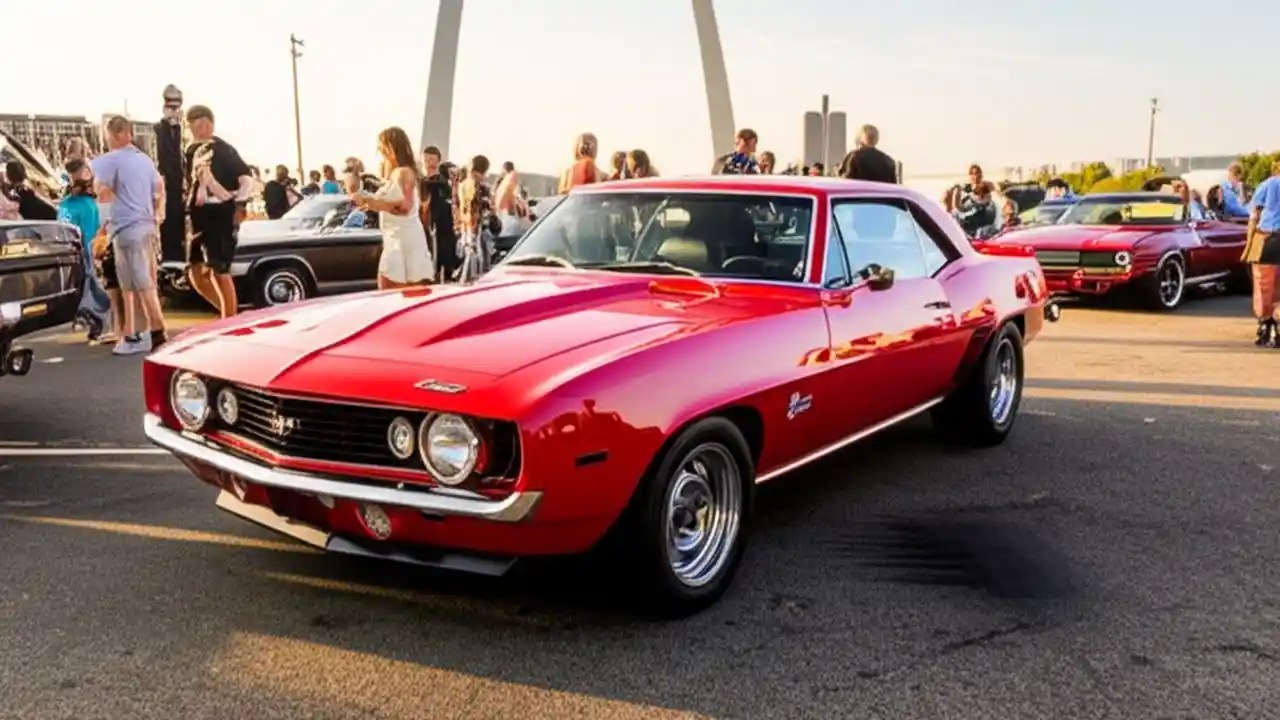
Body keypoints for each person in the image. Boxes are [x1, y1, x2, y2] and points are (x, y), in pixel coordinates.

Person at [91, 115, 168, 355]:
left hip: (125, 226)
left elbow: (101, 192)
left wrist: (103, 225)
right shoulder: (144, 160)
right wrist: (155, 214)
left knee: (134, 284)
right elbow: (158, 189)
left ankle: (152, 333)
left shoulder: (108, 161)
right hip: (145, 225)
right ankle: (143, 332)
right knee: (144, 281)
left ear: (112, 135)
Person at [183, 104, 252, 318]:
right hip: (197, 214)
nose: (201, 127)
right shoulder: (189, 151)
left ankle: (229, 318)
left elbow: (246, 178)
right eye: (196, 123)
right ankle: (227, 313)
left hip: (220, 211)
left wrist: (239, 205)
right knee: (196, 272)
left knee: (219, 270)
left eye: (205, 122)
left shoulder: (223, 149)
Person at [350, 126, 433, 289]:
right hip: (397, 241)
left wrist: (372, 202)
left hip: (402, 242)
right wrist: (371, 203)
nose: (379, 151)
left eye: (382, 147)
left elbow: (405, 207)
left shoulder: (403, 173)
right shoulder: (399, 173)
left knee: (393, 297)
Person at [58, 159, 111, 340]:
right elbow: (89, 235)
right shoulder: (85, 206)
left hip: (73, 251)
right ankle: (94, 316)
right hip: (77, 251)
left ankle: (95, 317)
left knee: (88, 287)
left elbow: (88, 235)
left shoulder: (67, 205)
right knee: (88, 286)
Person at [1243, 159, 1280, 347]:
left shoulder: (1267, 185)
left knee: (1263, 283)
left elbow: (1254, 215)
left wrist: (1248, 244)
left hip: (1268, 238)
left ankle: (1266, 325)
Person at [457, 155, 500, 282]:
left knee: (467, 269)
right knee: (480, 274)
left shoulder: (462, 185)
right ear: (485, 170)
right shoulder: (482, 189)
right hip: (480, 234)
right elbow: (489, 213)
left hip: (465, 232)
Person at [419, 146, 458, 282]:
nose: (429, 163)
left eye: (432, 159)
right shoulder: (419, 183)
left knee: (446, 265)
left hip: (444, 230)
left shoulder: (444, 184)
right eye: (426, 159)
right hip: (425, 229)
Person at [495, 160, 523, 235]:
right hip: (508, 212)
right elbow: (511, 193)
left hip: (502, 212)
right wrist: (511, 209)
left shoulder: (505, 180)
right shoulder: (512, 177)